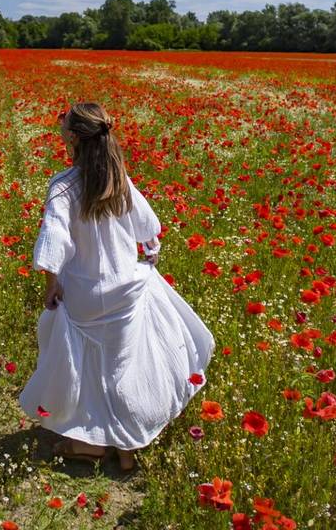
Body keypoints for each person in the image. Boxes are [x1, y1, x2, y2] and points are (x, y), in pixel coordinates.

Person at [18, 102, 215, 472]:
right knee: (124, 367)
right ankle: (127, 445)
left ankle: (90, 443)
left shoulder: (63, 186)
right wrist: (150, 256)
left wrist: (51, 284)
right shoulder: (118, 179)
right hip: (127, 290)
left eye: (64, 125)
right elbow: (149, 227)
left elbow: (54, 240)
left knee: (88, 365)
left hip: (84, 297)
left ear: (73, 138)